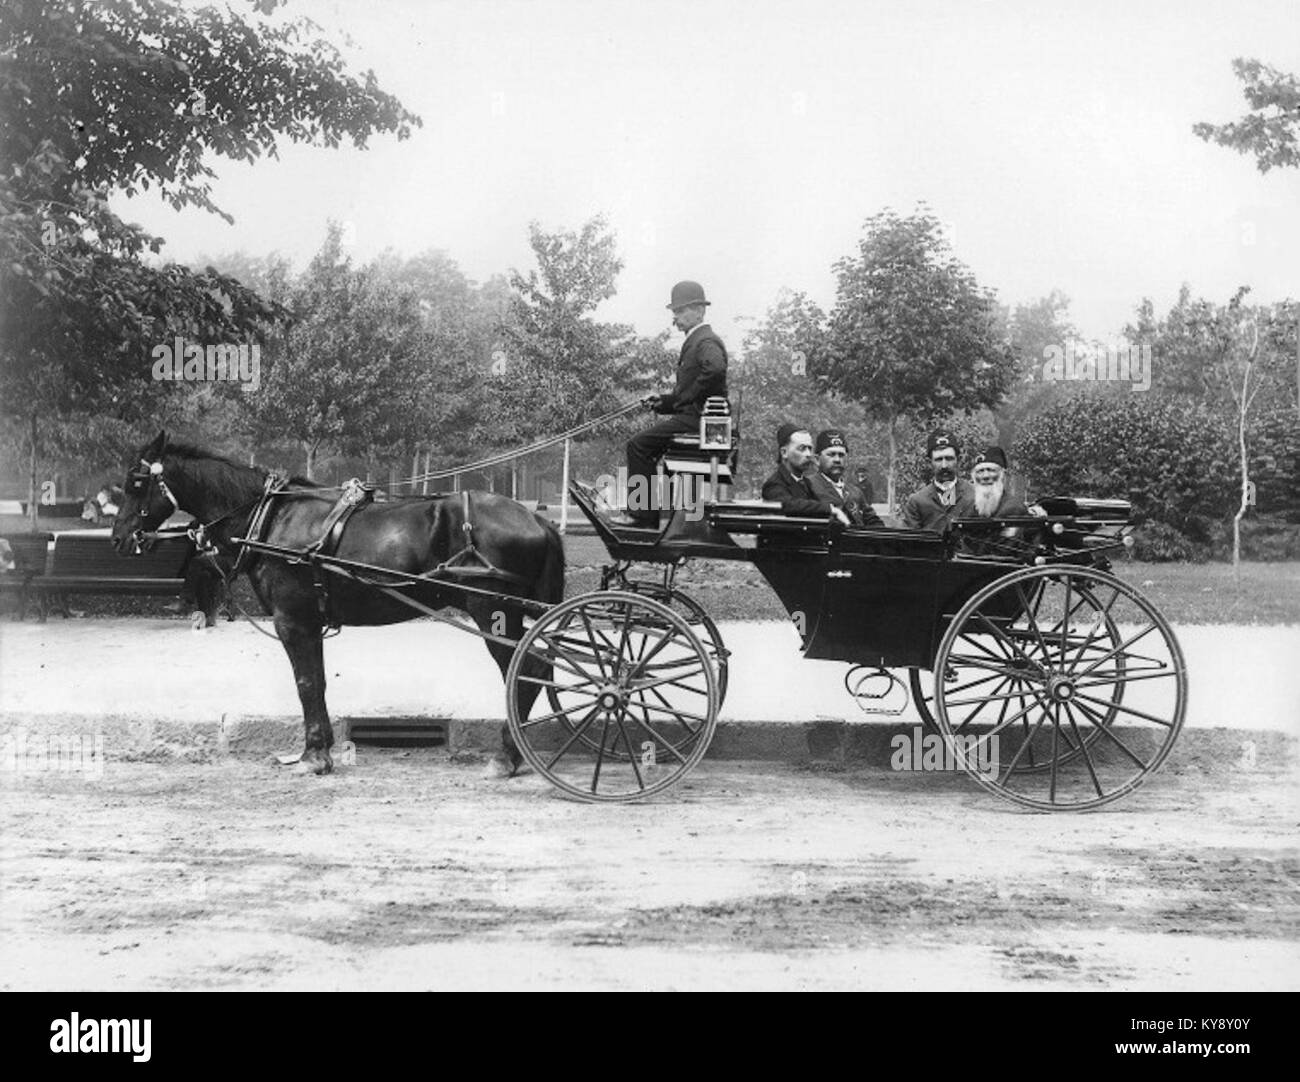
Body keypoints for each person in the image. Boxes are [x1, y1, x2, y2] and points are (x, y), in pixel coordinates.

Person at [614, 281, 728, 528]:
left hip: (700, 421)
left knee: (638, 445)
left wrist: (686, 398)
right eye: (674, 312)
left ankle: (642, 516)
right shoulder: (697, 340)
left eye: (679, 311)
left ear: (699, 310)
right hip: (694, 417)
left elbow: (716, 369)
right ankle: (651, 515)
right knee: (645, 447)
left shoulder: (705, 340)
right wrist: (663, 402)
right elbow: (690, 391)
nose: (674, 318)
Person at [762, 424, 851, 525]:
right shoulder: (775, 484)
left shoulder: (805, 483)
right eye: (802, 448)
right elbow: (789, 505)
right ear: (784, 453)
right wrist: (831, 509)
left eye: (809, 448)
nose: (808, 454)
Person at [804, 429, 885, 528]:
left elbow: (873, 521)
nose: (837, 460)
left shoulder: (855, 492)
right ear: (817, 459)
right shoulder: (806, 487)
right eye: (831, 454)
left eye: (841, 455)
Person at [901, 430, 976, 532]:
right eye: (939, 459)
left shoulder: (975, 496)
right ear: (929, 462)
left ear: (958, 460)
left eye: (949, 459)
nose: (944, 465)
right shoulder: (917, 502)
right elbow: (908, 543)